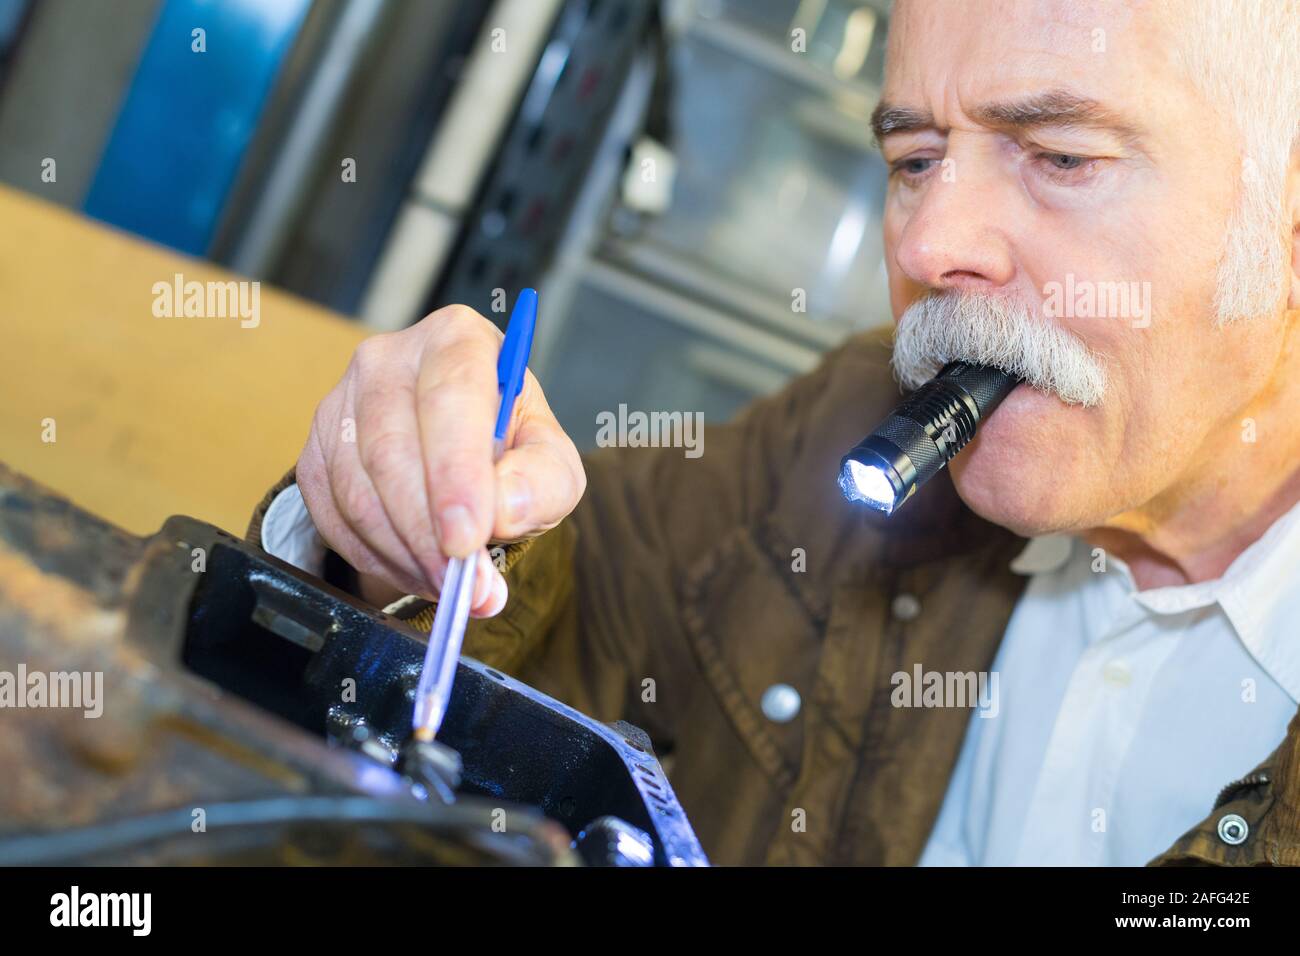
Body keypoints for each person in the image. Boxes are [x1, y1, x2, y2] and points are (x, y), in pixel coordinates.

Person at [251, 0, 1300, 865]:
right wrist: (391, 518)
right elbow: (565, 598)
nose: (931, 243)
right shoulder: (852, 426)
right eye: (915, 159)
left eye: (1061, 157)